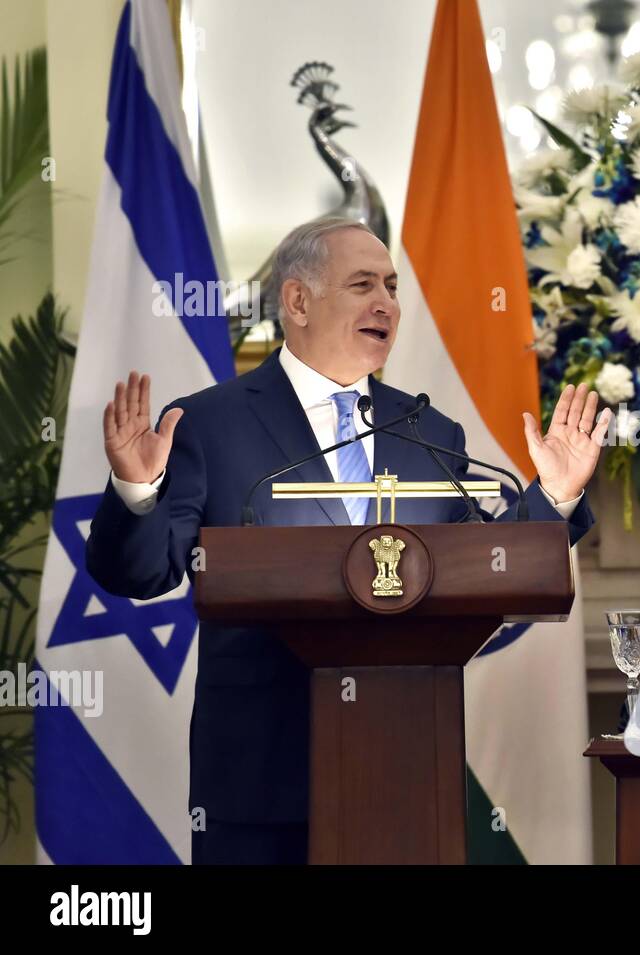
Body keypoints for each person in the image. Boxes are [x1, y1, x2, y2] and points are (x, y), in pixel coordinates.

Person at [86, 217, 611, 864]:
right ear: (298, 301)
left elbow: (481, 572)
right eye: (362, 284)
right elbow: (142, 573)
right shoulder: (209, 424)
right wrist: (137, 492)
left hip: (407, 777)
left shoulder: (430, 432)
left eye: (391, 286)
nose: (385, 302)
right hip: (257, 790)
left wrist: (552, 498)